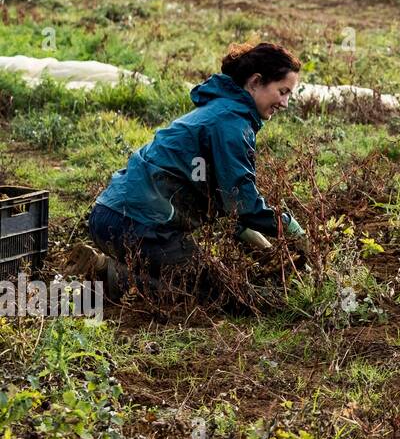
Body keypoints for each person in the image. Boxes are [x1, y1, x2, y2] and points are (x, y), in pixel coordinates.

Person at [76, 42, 306, 299]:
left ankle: (111, 265)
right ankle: (114, 273)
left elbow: (223, 202)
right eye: (282, 91)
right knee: (224, 293)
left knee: (205, 281)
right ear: (255, 82)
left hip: (110, 215)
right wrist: (290, 228)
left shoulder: (219, 111)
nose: (285, 103)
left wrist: (262, 248)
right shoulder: (230, 124)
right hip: (138, 225)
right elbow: (242, 202)